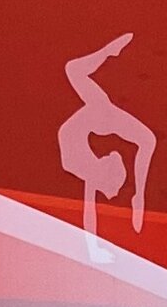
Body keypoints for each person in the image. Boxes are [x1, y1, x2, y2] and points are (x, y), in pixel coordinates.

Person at [60, 35, 158, 258]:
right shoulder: (90, 168)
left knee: (73, 70)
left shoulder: (89, 170)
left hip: (92, 122)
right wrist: (139, 195)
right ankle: (139, 197)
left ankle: (107, 52)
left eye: (116, 161)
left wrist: (92, 250)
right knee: (147, 140)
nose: (116, 154)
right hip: (93, 122)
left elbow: (89, 210)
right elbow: (89, 208)